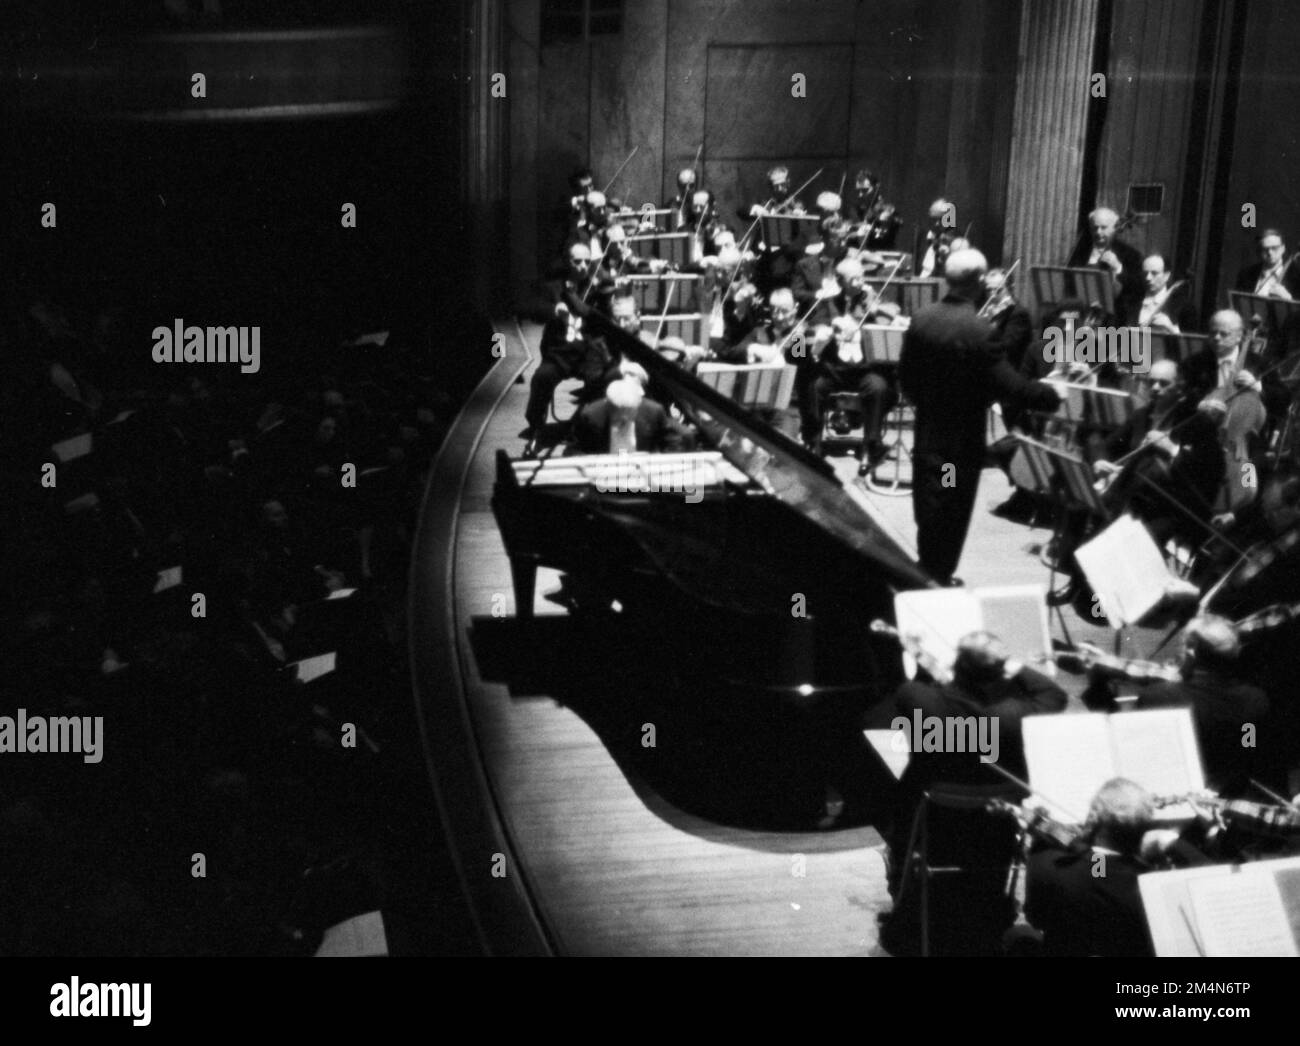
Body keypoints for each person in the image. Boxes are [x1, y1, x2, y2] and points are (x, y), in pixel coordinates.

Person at [898, 248, 1061, 583]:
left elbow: (907, 379)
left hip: (929, 435)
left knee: (931, 506)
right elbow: (1010, 386)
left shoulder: (922, 319)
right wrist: (1052, 394)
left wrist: (928, 407)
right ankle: (937, 576)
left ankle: (928, 568)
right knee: (949, 510)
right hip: (959, 448)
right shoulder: (979, 331)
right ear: (979, 283)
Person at [1024, 778, 1207, 957]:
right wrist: (1173, 841)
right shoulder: (1147, 882)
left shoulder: (1058, 870)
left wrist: (1039, 840)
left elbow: (1036, 917)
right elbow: (1101, 869)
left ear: (1095, 816)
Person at [1067, 207, 1144, 325]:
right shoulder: (1080, 252)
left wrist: (1118, 267)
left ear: (1115, 228)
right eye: (1094, 228)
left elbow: (1138, 288)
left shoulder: (1131, 255)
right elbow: (1069, 282)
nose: (1098, 232)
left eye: (1103, 228)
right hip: (1081, 318)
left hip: (1112, 323)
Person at [570, 377, 683, 455]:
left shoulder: (654, 411)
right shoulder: (591, 415)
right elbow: (577, 450)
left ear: (639, 404)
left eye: (629, 411)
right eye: (618, 410)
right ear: (607, 404)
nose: (624, 417)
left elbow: (672, 441)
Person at [1235, 228, 1300, 301]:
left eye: (1274, 248)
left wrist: (1289, 299)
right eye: (1265, 249)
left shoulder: (1297, 276)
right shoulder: (1246, 274)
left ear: (1283, 248)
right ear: (1259, 251)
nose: (1270, 253)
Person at [1137, 254, 1196, 332]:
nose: (1148, 278)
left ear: (1166, 275)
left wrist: (1170, 327)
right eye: (1145, 273)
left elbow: (1189, 342)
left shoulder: (1185, 307)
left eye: (1154, 273)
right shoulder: (1132, 300)